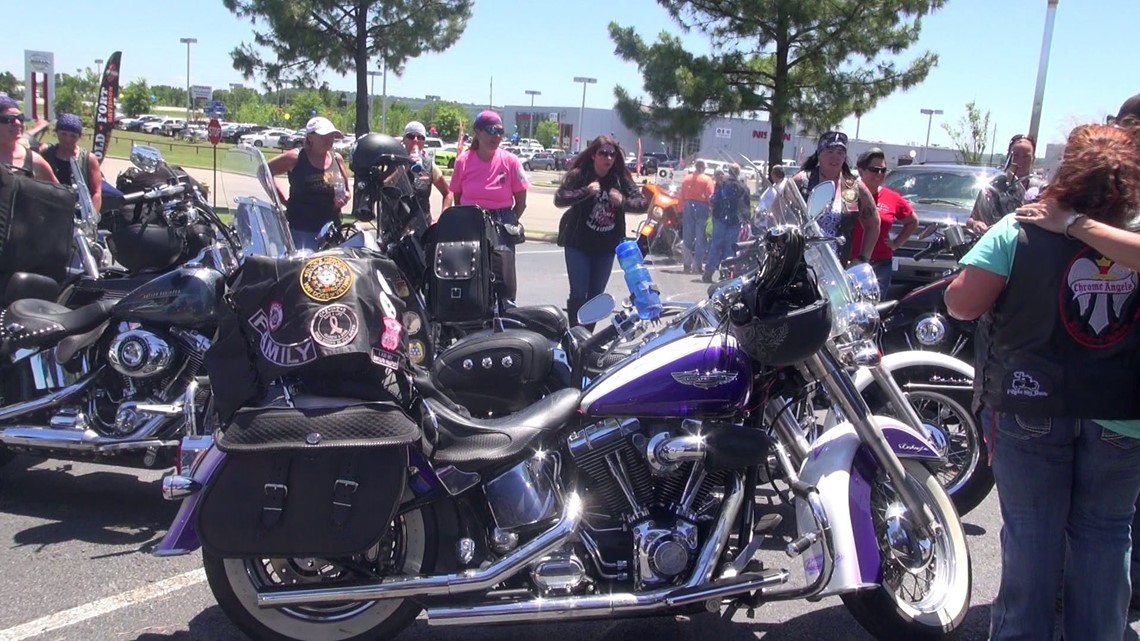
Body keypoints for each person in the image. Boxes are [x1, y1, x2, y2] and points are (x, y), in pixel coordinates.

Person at [944, 121, 1140, 641]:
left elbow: (961, 303)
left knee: (1031, 538)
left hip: (1032, 404)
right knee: (1105, 537)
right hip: (1123, 412)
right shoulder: (1134, 235)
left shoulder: (1021, 226)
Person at [1017, 93, 1140, 612]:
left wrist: (1070, 222)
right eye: (1129, 126)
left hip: (1108, 395)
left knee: (1093, 527)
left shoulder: (1064, 215)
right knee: (1102, 527)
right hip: (1098, 395)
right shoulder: (1050, 208)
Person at [553, 135, 648, 323]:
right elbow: (560, 198)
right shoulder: (580, 175)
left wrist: (623, 202)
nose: (608, 158)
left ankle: (587, 342)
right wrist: (585, 192)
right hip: (578, 244)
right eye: (603, 153)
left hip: (605, 247)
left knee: (596, 297)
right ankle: (575, 336)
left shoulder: (620, 179)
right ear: (593, 155)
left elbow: (642, 203)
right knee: (579, 294)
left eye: (612, 154)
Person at [449, 110, 529, 301]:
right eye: (491, 130)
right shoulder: (463, 161)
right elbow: (458, 197)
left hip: (502, 223)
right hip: (471, 221)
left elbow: (521, 202)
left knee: (504, 282)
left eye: (500, 131)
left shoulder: (511, 161)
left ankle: (504, 318)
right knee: (471, 276)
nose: (497, 136)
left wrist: (507, 221)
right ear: (477, 131)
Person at [792, 131, 878, 266]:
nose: (835, 157)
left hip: (837, 269)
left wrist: (863, 258)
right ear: (819, 153)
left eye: (840, 152)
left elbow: (873, 224)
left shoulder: (853, 187)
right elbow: (778, 214)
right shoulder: (802, 181)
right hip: (799, 265)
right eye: (830, 151)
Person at [266, 116, 350, 251]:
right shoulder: (295, 157)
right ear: (310, 137)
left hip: (331, 230)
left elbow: (346, 190)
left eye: (332, 136)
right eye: (324, 136)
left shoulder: (336, 158)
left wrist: (344, 197)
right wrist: (282, 200)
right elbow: (264, 171)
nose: (329, 140)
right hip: (301, 231)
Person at [851, 148, 918, 292]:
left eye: (883, 170)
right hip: (851, 262)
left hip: (880, 264)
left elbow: (912, 222)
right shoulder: (847, 194)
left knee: (875, 307)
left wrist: (897, 243)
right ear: (861, 170)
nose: (879, 174)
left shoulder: (892, 197)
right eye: (874, 169)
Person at [967, 134, 1046, 234]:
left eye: (1026, 156)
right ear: (1009, 157)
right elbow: (971, 220)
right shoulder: (992, 186)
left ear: (1033, 159)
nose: (1020, 160)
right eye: (1016, 155)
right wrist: (976, 224)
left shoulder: (1042, 189)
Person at [40, 113, 102, 211]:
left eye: (73, 136)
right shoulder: (46, 153)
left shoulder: (88, 158)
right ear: (57, 132)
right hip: (47, 210)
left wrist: (92, 218)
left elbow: (96, 192)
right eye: (63, 134)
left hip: (76, 213)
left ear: (79, 136)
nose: (67, 139)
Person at [703, 164, 751, 282]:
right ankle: (725, 273)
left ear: (728, 172)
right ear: (738, 173)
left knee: (715, 245)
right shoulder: (743, 187)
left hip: (720, 218)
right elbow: (746, 207)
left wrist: (714, 210)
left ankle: (709, 272)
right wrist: (746, 219)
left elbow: (715, 199)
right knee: (730, 248)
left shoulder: (721, 184)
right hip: (734, 221)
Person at [401, 120, 452, 224]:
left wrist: (443, 217)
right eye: (411, 136)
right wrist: (404, 168)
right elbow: (385, 186)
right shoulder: (394, 161)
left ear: (424, 142)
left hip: (422, 227)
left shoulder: (429, 165)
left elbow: (448, 193)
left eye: (420, 137)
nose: (415, 140)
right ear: (404, 139)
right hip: (396, 226)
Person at [0, 96, 57, 182]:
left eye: (20, 118)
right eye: (9, 119)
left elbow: (58, 193)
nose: (18, 123)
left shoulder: (34, 161)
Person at [679, 159, 715, 274]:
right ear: (703, 168)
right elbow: (711, 196)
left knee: (687, 236)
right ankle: (697, 265)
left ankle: (686, 264)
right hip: (702, 206)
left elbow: (681, 194)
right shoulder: (707, 180)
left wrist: (680, 209)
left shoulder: (686, 178)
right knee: (701, 237)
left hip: (688, 205)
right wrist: (712, 209)